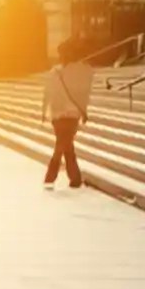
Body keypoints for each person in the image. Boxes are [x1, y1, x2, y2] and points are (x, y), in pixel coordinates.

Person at [39, 38, 93, 189]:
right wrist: (83, 111)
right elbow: (83, 92)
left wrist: (44, 111)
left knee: (63, 145)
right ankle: (71, 178)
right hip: (72, 114)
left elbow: (47, 93)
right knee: (65, 145)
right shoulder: (80, 71)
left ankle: (55, 177)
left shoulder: (55, 72)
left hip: (58, 114)